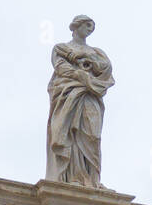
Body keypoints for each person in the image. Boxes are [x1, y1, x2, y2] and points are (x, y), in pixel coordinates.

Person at [46, 15, 114, 188]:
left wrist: (88, 60)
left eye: (92, 26)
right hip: (68, 94)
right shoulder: (61, 48)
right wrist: (80, 75)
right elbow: (61, 68)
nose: (90, 29)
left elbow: (106, 70)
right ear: (75, 26)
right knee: (68, 133)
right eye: (87, 25)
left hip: (90, 95)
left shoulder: (96, 52)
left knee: (91, 135)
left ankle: (91, 179)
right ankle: (72, 177)